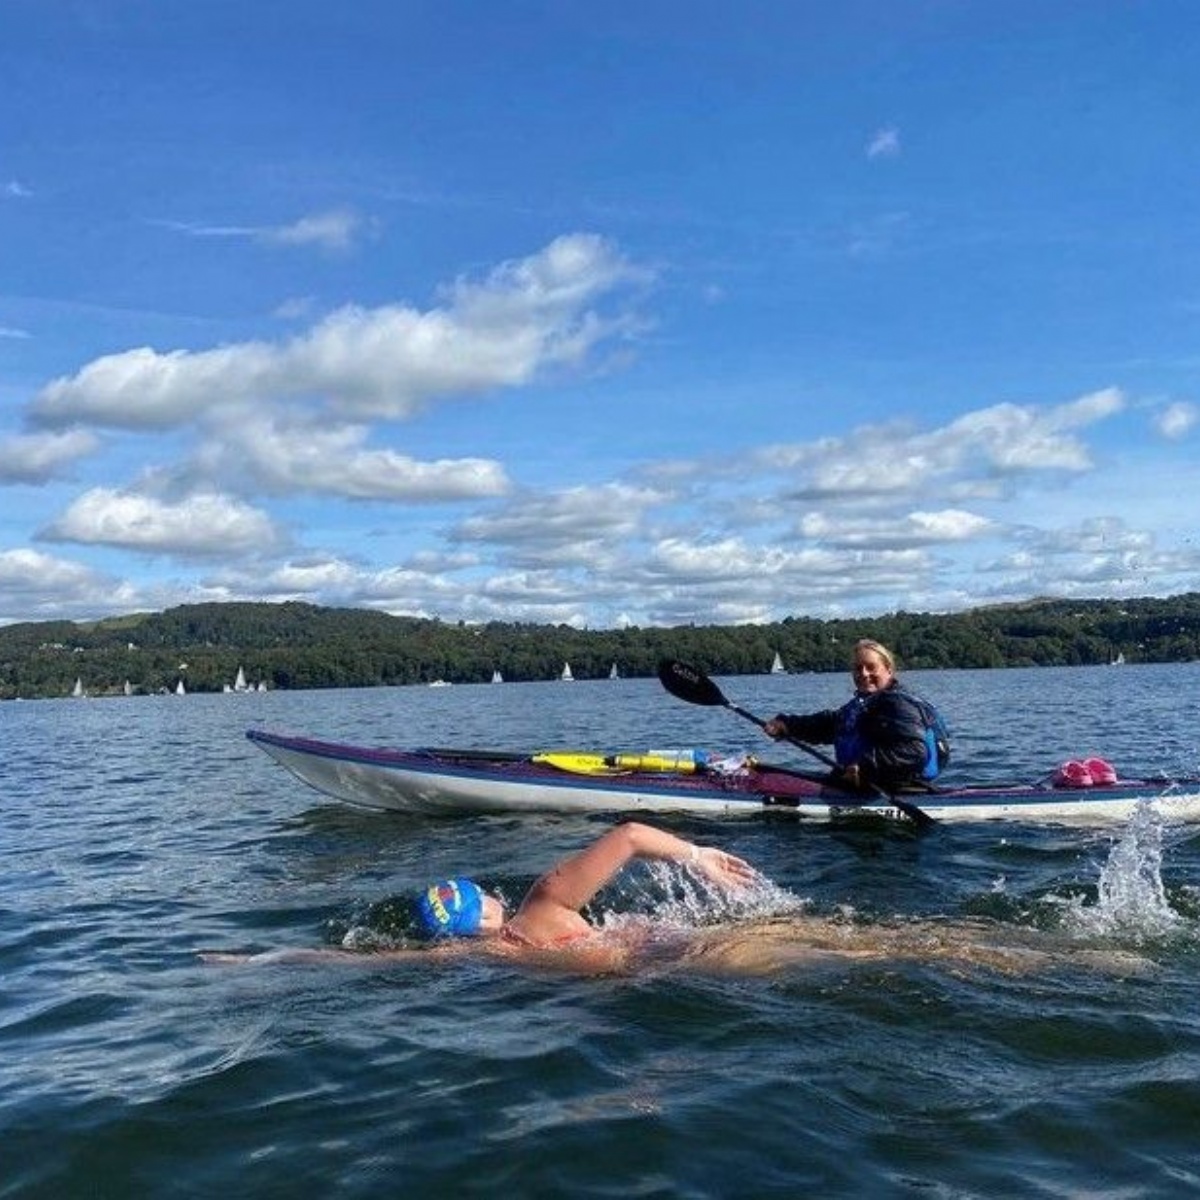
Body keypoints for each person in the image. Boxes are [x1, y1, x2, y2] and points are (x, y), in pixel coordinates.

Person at [203, 821, 759, 973]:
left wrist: (257, 960)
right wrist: (695, 856)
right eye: (486, 894)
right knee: (833, 949)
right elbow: (632, 834)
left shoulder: (476, 955)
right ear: (489, 905)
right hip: (693, 952)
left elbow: (339, 961)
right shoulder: (542, 903)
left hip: (664, 970)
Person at [763, 638, 949, 793]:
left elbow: (914, 752)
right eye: (858, 668)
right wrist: (786, 725)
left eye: (871, 667)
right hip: (865, 784)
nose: (864, 674)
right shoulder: (865, 704)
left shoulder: (898, 705)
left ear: (889, 670)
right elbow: (828, 724)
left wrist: (864, 767)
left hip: (896, 789)